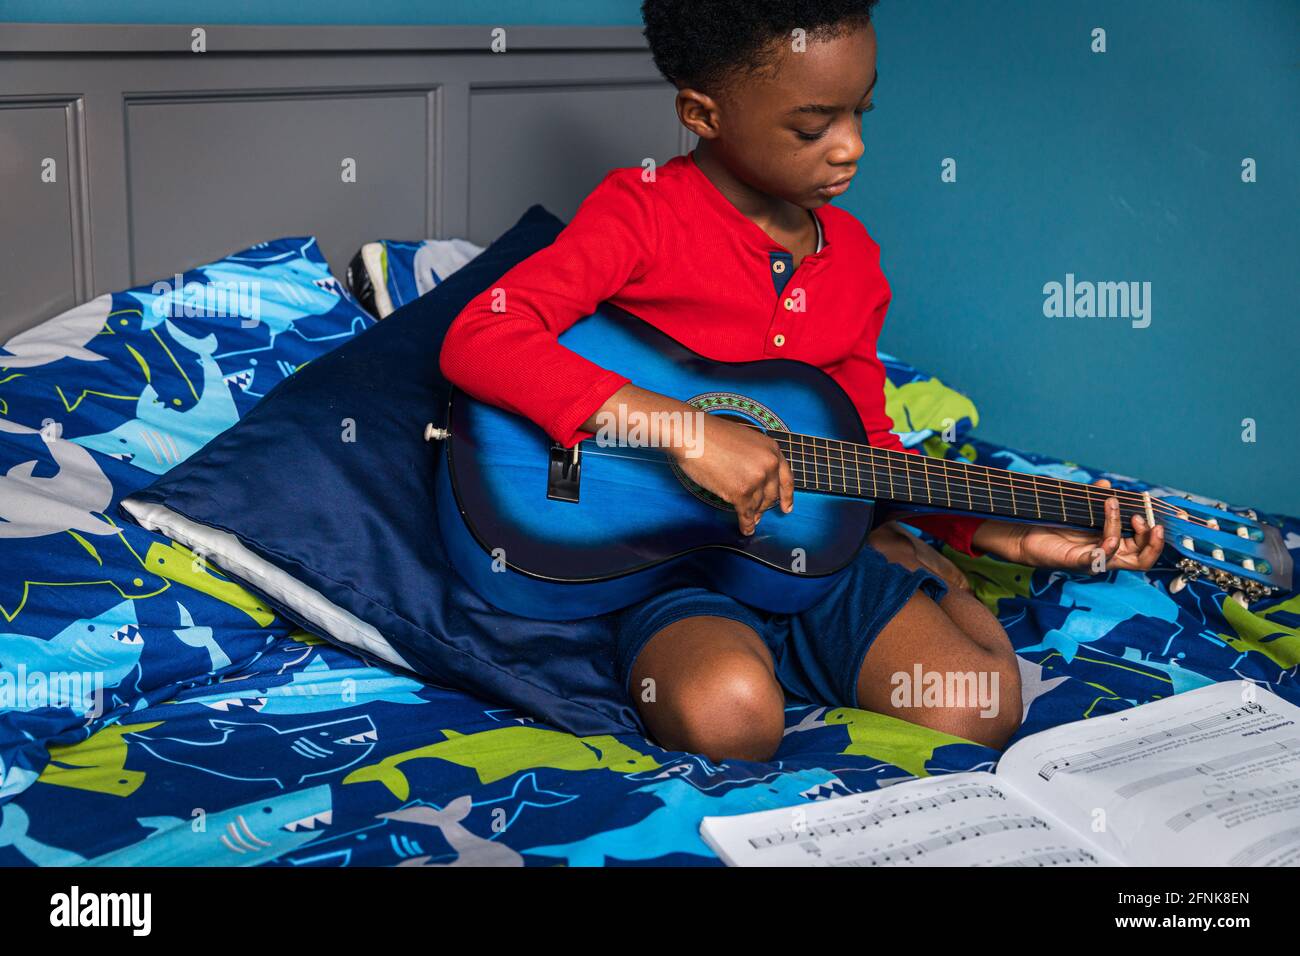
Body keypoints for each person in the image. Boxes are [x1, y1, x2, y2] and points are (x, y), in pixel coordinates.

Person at [439, 0, 1162, 761]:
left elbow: (870, 447)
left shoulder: (853, 260)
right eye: (814, 126)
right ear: (702, 112)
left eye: (862, 111)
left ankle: (926, 583)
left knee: (975, 706)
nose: (850, 148)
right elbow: (483, 333)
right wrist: (687, 433)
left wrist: (996, 533)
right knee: (730, 720)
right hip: (673, 565)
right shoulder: (642, 212)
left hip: (822, 552)